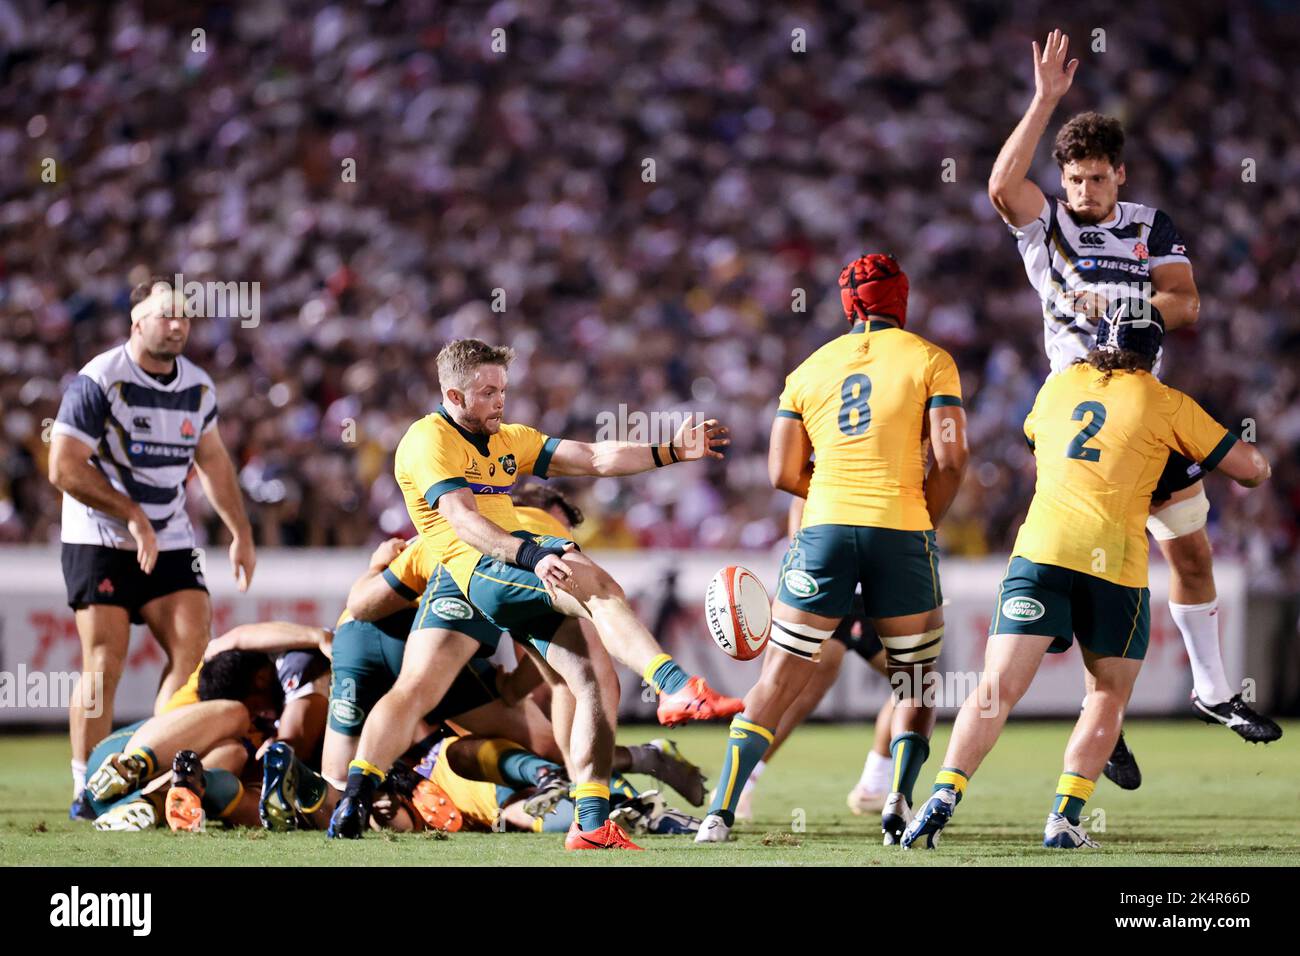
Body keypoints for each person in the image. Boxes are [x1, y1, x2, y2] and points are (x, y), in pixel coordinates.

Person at [986, 30, 1281, 773]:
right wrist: (1044, 100)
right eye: (1075, 180)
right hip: (1075, 408)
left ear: (1120, 175)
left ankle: (1212, 690)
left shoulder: (1149, 227)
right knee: (1091, 555)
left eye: (1097, 179)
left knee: (1190, 547)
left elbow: (1187, 304)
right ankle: (1102, 712)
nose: (1085, 193)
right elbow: (998, 187)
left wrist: (1126, 293)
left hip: (1143, 409)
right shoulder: (1044, 225)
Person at [329, 339, 741, 849]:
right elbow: (461, 520)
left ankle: (590, 823)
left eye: (502, 389)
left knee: (594, 680)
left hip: (506, 565)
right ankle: (675, 686)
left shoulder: (509, 439)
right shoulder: (426, 439)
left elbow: (592, 456)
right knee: (597, 585)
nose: (499, 400)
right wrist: (531, 555)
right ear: (453, 396)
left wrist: (672, 450)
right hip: (487, 566)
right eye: (486, 392)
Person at [903, 304, 1271, 850]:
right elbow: (1252, 470)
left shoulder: (1057, 386)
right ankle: (1063, 818)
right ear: (1154, 353)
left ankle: (942, 795)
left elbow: (1038, 441)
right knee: (1105, 697)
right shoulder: (1163, 399)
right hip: (1114, 563)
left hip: (1041, 551)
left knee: (994, 690)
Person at [696, 253, 969, 845]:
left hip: (820, 533)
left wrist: (829, 490)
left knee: (779, 679)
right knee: (916, 680)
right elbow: (952, 460)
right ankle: (897, 803)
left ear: (848, 307)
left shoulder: (808, 369)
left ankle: (719, 811)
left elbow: (779, 472)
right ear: (903, 298)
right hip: (900, 529)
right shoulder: (930, 359)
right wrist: (920, 515)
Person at [49, 277, 256, 818]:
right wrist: (132, 515)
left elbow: (212, 463)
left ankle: (153, 768)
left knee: (193, 656)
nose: (177, 324)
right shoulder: (99, 379)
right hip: (100, 532)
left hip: (168, 533)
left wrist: (241, 532)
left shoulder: (198, 387)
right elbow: (63, 466)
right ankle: (85, 786)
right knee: (104, 661)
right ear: (136, 321)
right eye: (165, 314)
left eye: (184, 316)